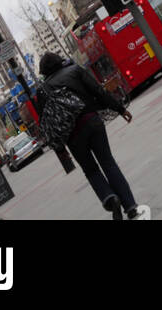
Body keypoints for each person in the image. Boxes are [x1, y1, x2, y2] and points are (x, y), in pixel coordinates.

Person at [36, 51, 139, 221]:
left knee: (91, 170)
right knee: (108, 162)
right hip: (92, 121)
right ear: (60, 62)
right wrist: (120, 109)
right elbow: (99, 91)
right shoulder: (75, 70)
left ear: (43, 72)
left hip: (73, 136)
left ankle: (109, 197)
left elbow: (49, 125)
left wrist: (61, 150)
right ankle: (130, 206)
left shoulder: (42, 91)